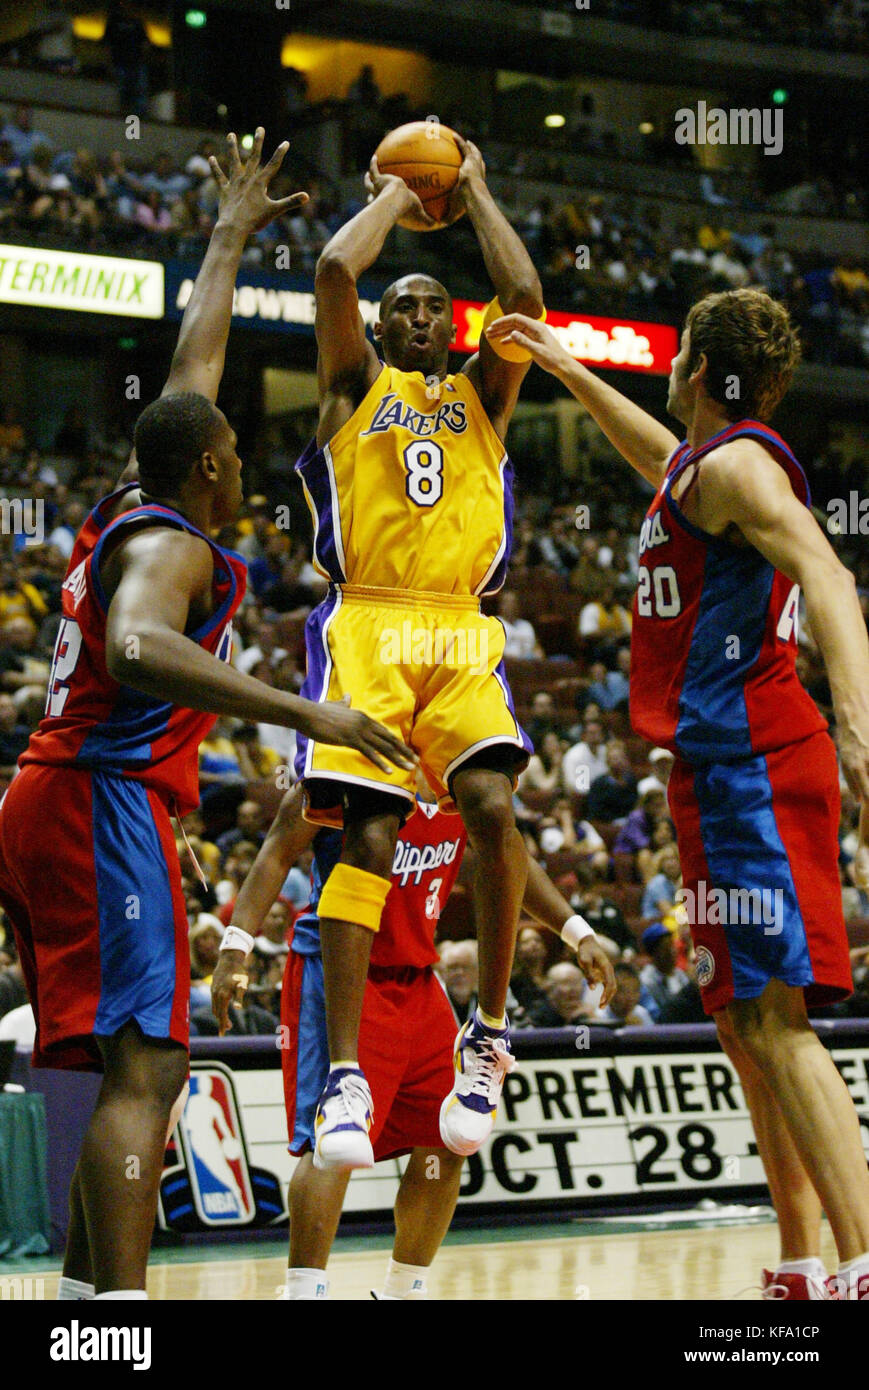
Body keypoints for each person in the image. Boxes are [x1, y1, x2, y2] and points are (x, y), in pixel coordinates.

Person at [0, 131, 413, 1303]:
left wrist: (229, 231)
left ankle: (86, 1318)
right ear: (212, 474)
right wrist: (302, 708)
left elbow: (192, 367)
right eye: (234, 453)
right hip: (95, 800)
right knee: (150, 1061)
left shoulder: (139, 493)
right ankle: (120, 1321)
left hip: (51, 801)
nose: (240, 463)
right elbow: (135, 647)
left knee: (101, 1063)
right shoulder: (175, 543)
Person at [487, 286, 869, 1300]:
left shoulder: (740, 464)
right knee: (744, 1025)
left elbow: (829, 578)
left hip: (756, 759)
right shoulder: (696, 471)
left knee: (779, 1020)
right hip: (708, 770)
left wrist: (858, 722)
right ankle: (799, 1261)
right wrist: (567, 367)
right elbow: (653, 451)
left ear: (696, 364)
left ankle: (863, 1263)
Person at [292, 134, 546, 1171]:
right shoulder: (353, 388)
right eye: (402, 305)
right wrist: (400, 192)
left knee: (490, 807)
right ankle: (344, 1072)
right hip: (369, 624)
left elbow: (522, 291)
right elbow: (332, 271)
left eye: (431, 305)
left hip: (457, 626)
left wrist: (475, 186)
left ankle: (486, 1029)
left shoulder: (484, 395)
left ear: (453, 325)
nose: (415, 315)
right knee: (368, 841)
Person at [210, 779, 613, 1299]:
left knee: (449, 1138)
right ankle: (303, 1291)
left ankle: (405, 1290)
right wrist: (235, 947)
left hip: (417, 976)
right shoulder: (349, 761)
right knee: (331, 1144)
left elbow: (507, 854)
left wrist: (575, 930)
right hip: (340, 973)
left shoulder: (464, 773)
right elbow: (276, 850)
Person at [639, 922, 691, 1019]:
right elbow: (657, 1016)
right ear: (653, 954)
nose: (672, 952)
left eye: (672, 945)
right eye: (665, 948)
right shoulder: (647, 981)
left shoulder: (679, 974)